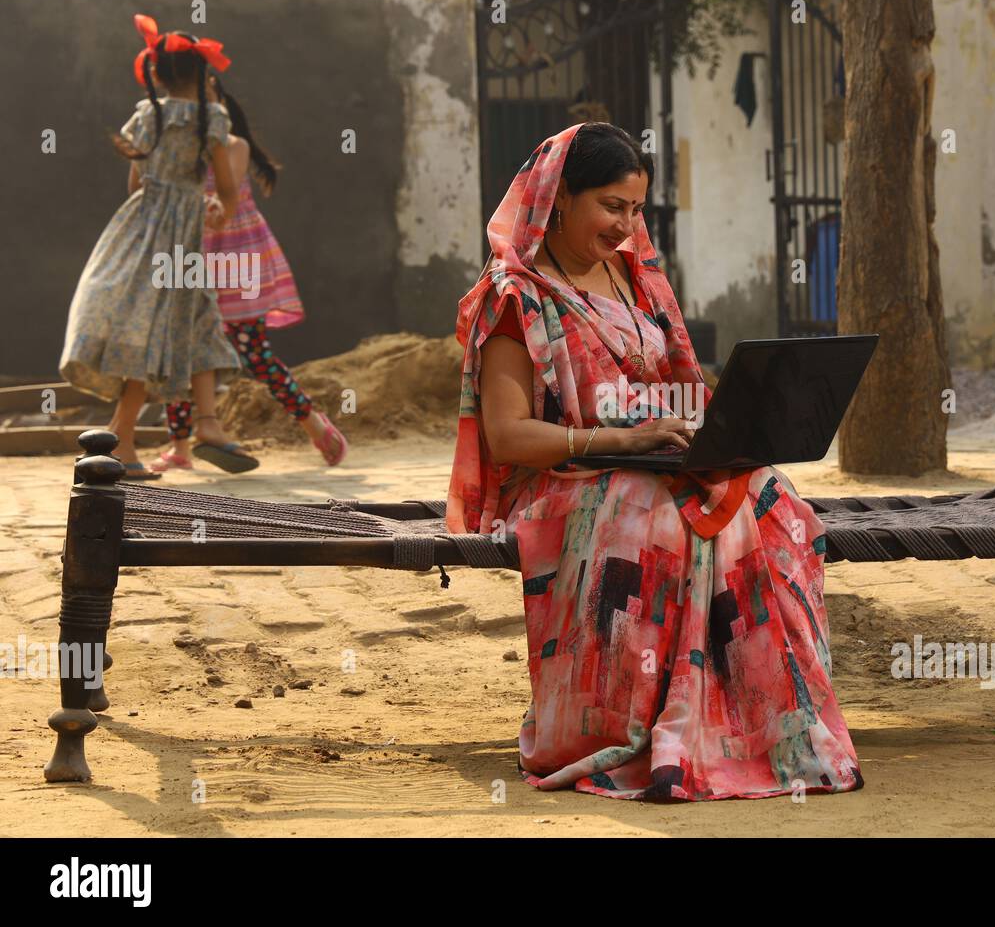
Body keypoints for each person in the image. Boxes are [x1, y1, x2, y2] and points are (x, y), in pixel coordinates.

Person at [448, 122, 863, 801]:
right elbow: (509, 439)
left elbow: (684, 389)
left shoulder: (637, 279)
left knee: (770, 501)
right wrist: (621, 442)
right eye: (612, 207)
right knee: (662, 525)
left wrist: (728, 428)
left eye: (636, 209)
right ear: (559, 198)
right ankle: (638, 729)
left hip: (650, 466)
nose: (626, 225)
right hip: (563, 484)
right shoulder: (516, 297)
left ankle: (767, 726)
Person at [59, 14, 255, 478]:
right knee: (164, 331)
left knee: (193, 320)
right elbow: (226, 182)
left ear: (156, 75)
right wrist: (219, 208)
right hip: (183, 234)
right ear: (204, 77)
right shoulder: (213, 117)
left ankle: (203, 424)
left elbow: (135, 182)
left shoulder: (149, 114)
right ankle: (122, 441)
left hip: (141, 228)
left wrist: (155, 215)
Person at [150, 75, 347, 473]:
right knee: (180, 350)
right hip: (190, 257)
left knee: (255, 355)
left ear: (222, 107)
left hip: (234, 259)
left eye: (207, 99)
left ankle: (313, 422)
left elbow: (224, 195)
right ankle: (179, 446)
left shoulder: (233, 147)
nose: (197, 108)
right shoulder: (177, 149)